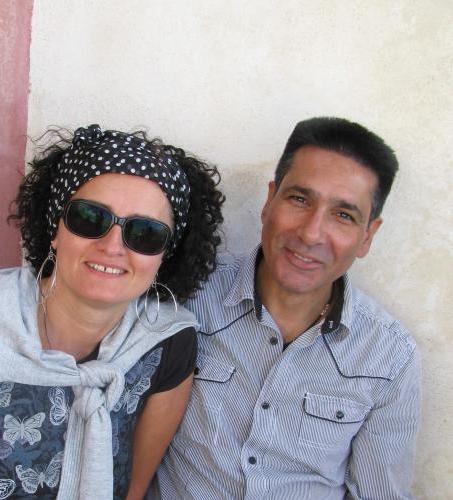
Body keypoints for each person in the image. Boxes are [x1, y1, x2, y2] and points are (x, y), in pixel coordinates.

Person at [151, 117, 421, 499]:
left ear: (367, 236)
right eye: (300, 199)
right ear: (270, 201)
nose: (311, 233)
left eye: (344, 215)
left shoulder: (389, 356)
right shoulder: (191, 292)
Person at [0, 124, 224, 499]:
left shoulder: (167, 342)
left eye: (145, 233)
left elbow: (133, 491)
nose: (112, 247)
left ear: (165, 255)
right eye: (90, 218)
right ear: (55, 229)